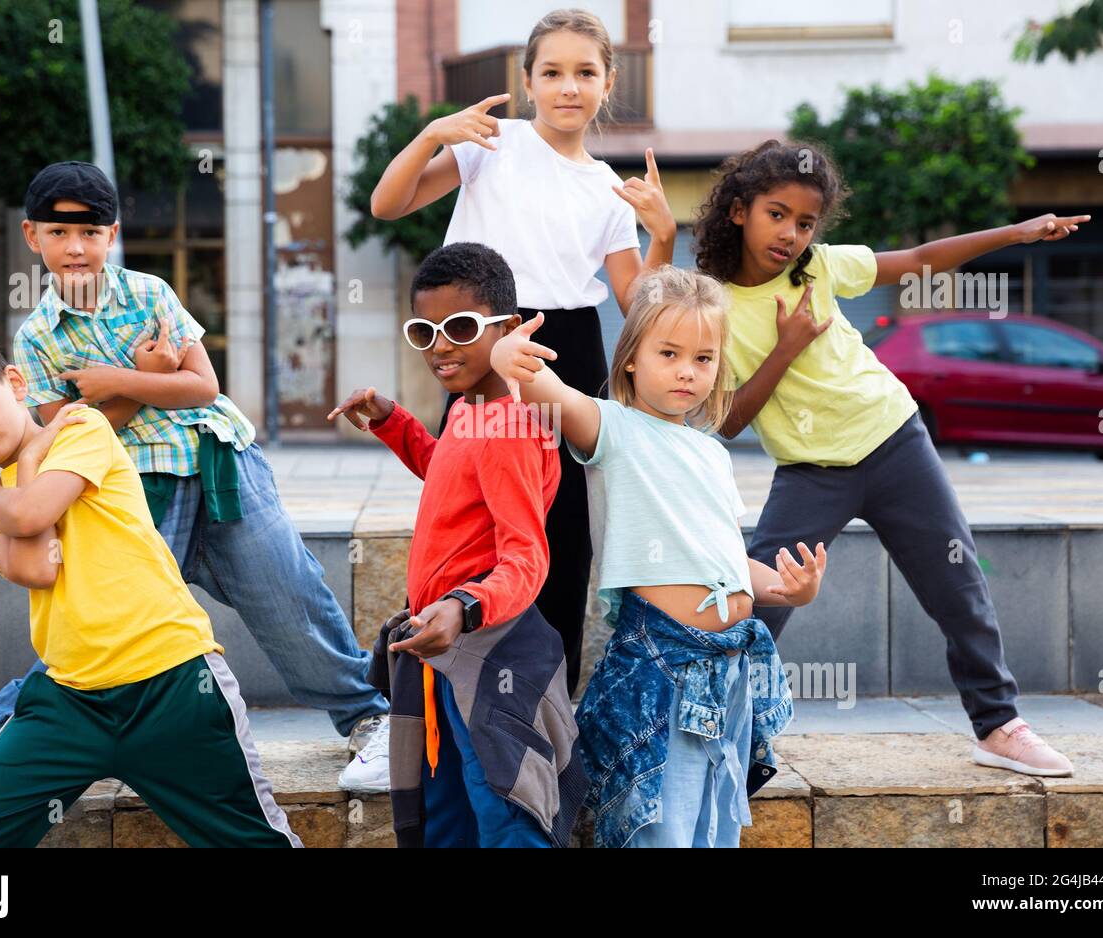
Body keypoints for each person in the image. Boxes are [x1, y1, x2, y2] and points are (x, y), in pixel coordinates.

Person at [0, 161, 392, 792]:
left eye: (90, 232)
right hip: (130, 491)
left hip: (221, 462)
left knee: (288, 595)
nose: (75, 247)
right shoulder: (36, 339)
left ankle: (368, 721)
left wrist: (118, 383)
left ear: (112, 234)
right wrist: (145, 382)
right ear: (33, 237)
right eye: (58, 233)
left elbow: (202, 387)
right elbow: (73, 434)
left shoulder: (151, 294)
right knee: (108, 615)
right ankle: (8, 724)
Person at [694, 139, 1088, 776]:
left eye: (804, 222)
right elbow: (729, 417)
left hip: (894, 438)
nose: (791, 233)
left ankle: (999, 725)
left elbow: (922, 258)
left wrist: (1017, 232)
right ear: (738, 210)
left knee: (959, 587)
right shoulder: (714, 305)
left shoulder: (820, 268)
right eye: (776, 214)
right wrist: (788, 344)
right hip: (811, 471)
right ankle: (720, 732)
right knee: (757, 601)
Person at [369, 8, 677, 695]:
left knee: (564, 534)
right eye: (553, 72)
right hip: (486, 340)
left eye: (585, 73)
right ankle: (446, 691)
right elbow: (388, 204)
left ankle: (549, 704)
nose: (569, 86)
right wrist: (429, 135)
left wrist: (662, 235)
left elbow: (640, 307)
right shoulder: (491, 144)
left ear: (608, 82)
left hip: (569, 351)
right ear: (529, 81)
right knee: (466, 512)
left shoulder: (606, 186)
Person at [0, 328, 300, 847]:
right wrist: (5, 487)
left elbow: (30, 512)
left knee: (253, 843)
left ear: (15, 383)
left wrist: (9, 475)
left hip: (173, 684)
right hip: (68, 703)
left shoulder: (79, 429)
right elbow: (37, 567)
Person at [491, 266, 827, 847]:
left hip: (729, 671)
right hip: (659, 665)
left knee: (714, 827)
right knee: (657, 827)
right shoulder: (612, 428)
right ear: (630, 359)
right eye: (668, 353)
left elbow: (724, 557)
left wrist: (788, 588)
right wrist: (508, 353)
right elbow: (550, 390)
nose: (686, 371)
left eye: (703, 358)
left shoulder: (711, 454)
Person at [328, 243, 587, 846]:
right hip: (445, 647)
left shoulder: (513, 425)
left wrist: (464, 605)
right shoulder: (472, 411)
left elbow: (527, 556)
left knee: (502, 807)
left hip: (487, 652)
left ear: (512, 328)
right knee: (448, 810)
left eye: (462, 328)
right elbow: (449, 471)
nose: (441, 346)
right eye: (425, 331)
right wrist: (393, 421)